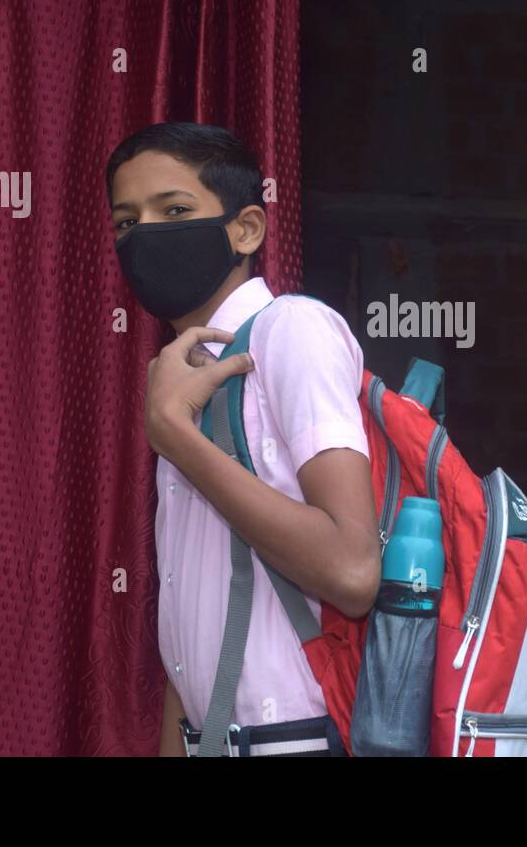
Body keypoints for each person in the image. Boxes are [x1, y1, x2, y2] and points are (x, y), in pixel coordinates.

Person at [105, 122, 379, 756]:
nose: (145, 235)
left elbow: (352, 567)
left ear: (246, 229)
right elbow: (194, 630)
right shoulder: (184, 376)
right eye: (126, 222)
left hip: (298, 740)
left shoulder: (291, 329)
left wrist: (175, 434)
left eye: (174, 210)